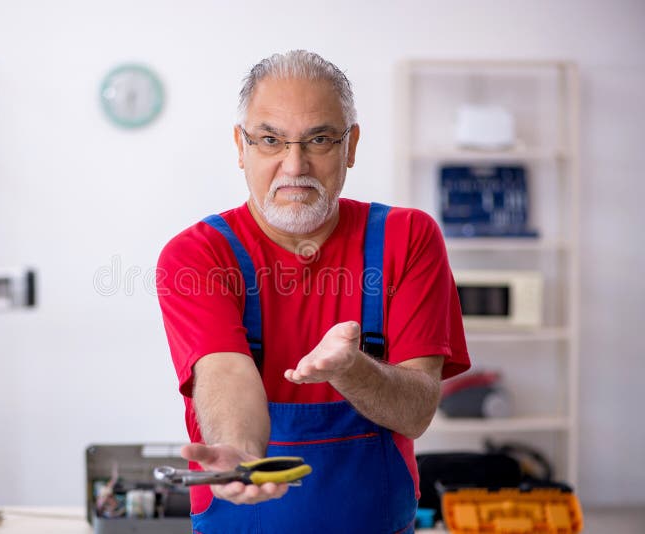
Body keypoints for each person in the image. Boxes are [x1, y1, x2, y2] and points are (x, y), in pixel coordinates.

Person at [157, 50, 470, 533]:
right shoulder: (197, 255)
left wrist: (352, 370)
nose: (294, 164)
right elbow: (224, 372)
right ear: (241, 147)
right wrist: (241, 452)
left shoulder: (408, 238)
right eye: (270, 140)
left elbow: (415, 413)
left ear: (351, 146)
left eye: (319, 139)